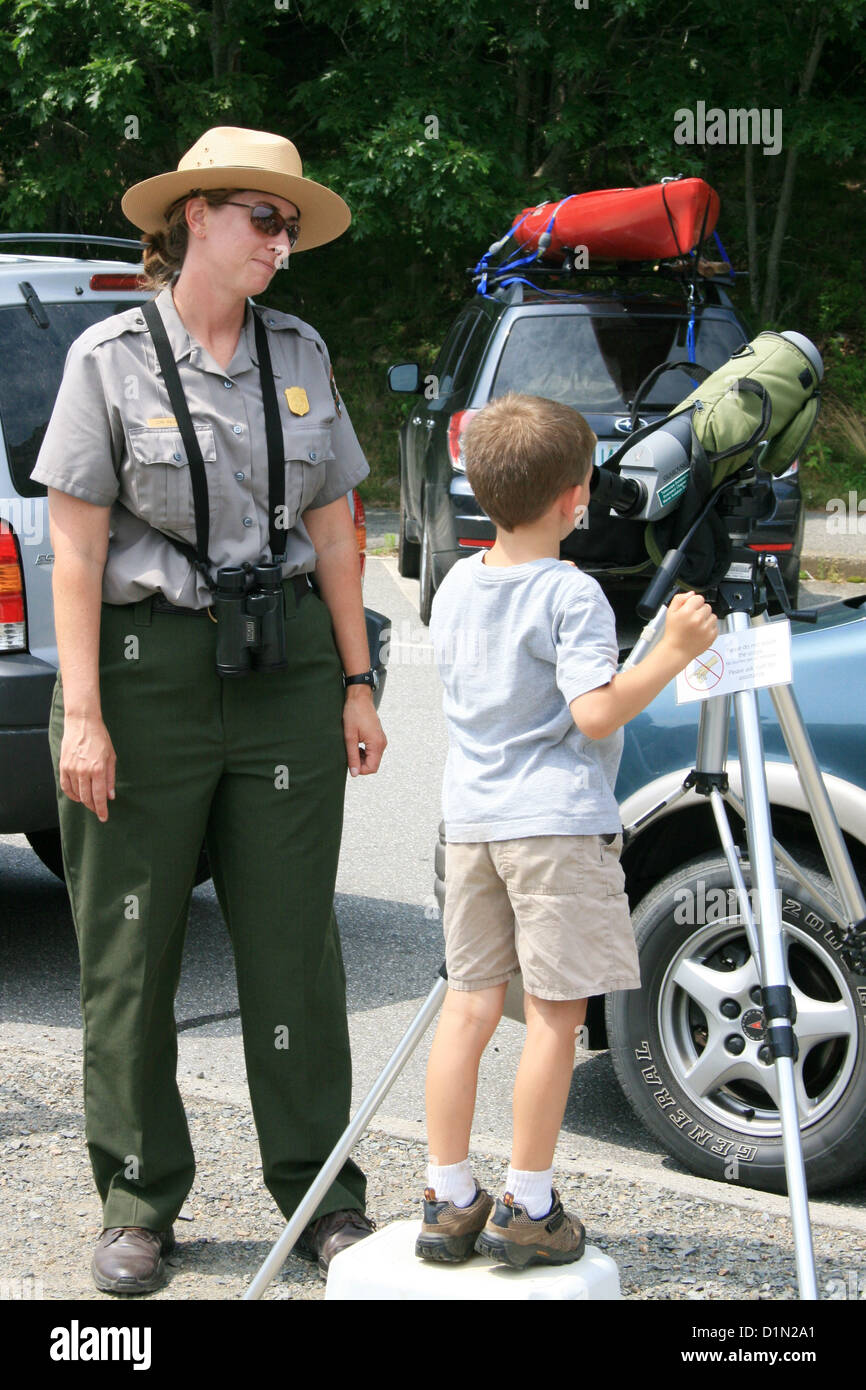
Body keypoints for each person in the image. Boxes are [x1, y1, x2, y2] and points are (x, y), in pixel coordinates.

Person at [30, 127, 387, 1293]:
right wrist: (84, 714)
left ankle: (322, 1194)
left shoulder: (301, 350)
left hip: (281, 674)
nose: (281, 245)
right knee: (130, 952)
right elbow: (74, 552)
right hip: (143, 677)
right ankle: (137, 1197)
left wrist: (356, 679)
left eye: (290, 225)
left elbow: (334, 529)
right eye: (261, 220)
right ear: (193, 217)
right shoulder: (108, 358)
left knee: (294, 950)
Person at [417, 393, 717, 1268]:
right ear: (575, 498)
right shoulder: (572, 594)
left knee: (470, 1009)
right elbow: (592, 715)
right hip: (553, 827)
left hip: (470, 822)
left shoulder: (459, 584)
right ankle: (530, 1206)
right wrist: (669, 651)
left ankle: (448, 1196)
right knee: (555, 1016)